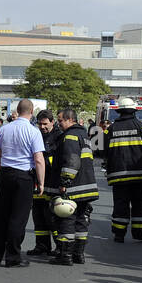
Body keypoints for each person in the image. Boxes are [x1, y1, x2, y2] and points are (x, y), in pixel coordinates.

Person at [0, 98, 45, 267]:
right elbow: (39, 159)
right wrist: (41, 182)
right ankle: (12, 256)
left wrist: (2, 170)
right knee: (18, 217)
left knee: (1, 215)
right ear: (31, 111)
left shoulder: (5, 129)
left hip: (6, 173)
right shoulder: (34, 132)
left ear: (17, 111)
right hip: (24, 176)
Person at [102, 96, 142, 242]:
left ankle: (119, 234)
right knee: (139, 204)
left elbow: (102, 152)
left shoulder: (110, 130)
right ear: (134, 111)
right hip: (140, 176)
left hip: (118, 176)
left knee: (120, 204)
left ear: (119, 112)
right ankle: (139, 234)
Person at [49, 108, 99, 265]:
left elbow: (72, 160)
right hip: (87, 185)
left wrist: (65, 181)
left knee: (67, 220)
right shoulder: (84, 135)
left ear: (70, 119)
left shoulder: (70, 135)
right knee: (81, 221)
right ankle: (79, 255)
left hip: (74, 186)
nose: (59, 123)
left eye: (60, 120)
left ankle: (65, 256)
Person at [29, 110, 60, 255]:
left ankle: (60, 246)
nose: (42, 127)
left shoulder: (59, 137)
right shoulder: (36, 135)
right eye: (40, 124)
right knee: (38, 215)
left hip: (52, 182)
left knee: (53, 216)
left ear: (52, 122)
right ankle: (41, 246)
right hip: (37, 181)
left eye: (45, 124)